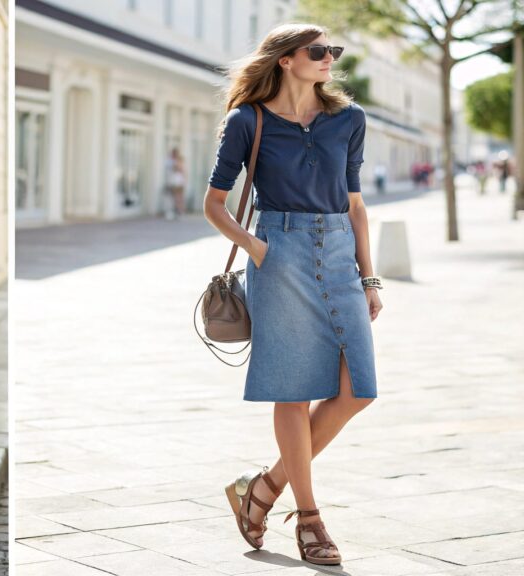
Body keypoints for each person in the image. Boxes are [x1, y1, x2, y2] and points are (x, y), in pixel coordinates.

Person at [203, 23, 383, 566]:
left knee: (359, 390)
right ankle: (308, 519)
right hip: (279, 252)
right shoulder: (248, 121)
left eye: (334, 51)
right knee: (294, 390)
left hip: (339, 255)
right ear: (285, 60)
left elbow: (354, 203)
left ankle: (261, 488)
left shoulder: (348, 119)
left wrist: (369, 277)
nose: (329, 59)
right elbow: (214, 204)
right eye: (318, 51)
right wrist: (261, 252)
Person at [165, 147, 188, 219]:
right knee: (174, 198)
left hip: (178, 183)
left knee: (179, 198)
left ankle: (180, 212)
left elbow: (181, 170)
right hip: (173, 182)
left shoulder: (178, 161)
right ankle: (176, 212)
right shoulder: (170, 161)